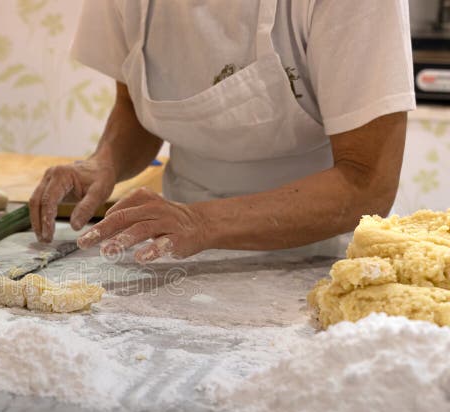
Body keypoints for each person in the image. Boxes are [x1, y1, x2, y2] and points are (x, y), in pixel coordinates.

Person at [29, 0, 415, 263]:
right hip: (173, 253)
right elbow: (135, 104)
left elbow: (368, 182)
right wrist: (104, 162)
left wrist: (201, 223)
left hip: (321, 252)